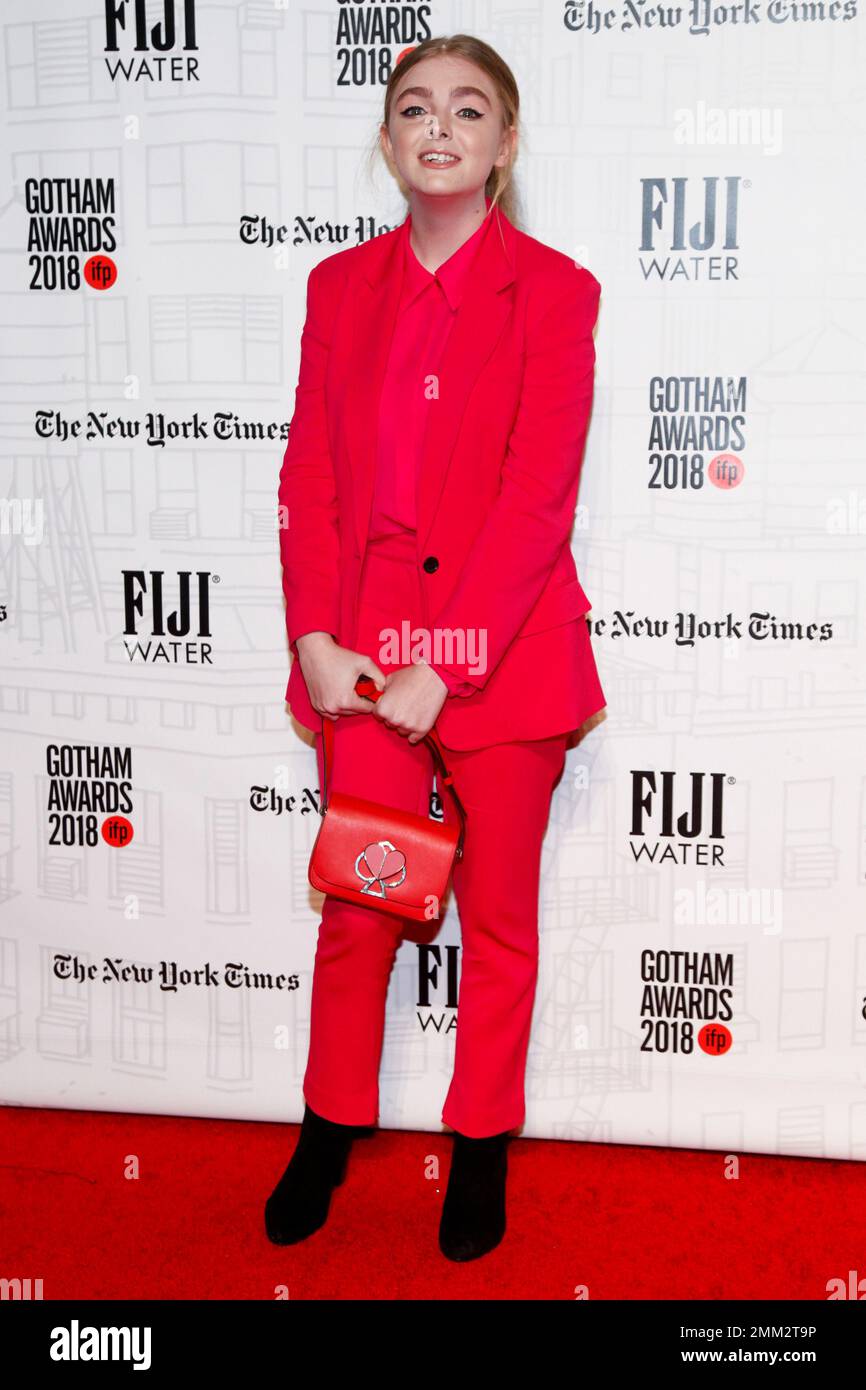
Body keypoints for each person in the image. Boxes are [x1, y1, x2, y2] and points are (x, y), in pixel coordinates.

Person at [267, 33, 605, 1262]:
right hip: (358, 652)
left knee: (496, 915)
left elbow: (535, 503)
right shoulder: (336, 289)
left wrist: (445, 658)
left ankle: (479, 1146)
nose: (440, 126)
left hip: (504, 658)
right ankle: (327, 1122)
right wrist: (311, 631)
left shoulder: (558, 293)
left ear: (504, 146)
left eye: (469, 110)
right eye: (414, 108)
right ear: (389, 141)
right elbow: (307, 471)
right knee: (362, 908)